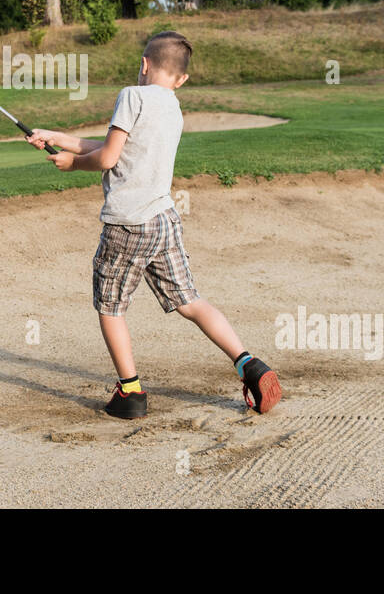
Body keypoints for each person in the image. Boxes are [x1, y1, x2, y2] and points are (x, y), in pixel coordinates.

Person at [25, 32, 281, 420]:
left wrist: (72, 164)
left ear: (144, 64)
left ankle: (130, 394)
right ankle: (250, 365)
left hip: (127, 225)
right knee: (190, 301)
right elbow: (122, 147)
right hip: (163, 220)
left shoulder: (132, 95)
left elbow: (109, 157)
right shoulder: (173, 106)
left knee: (110, 307)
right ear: (181, 80)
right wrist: (57, 137)